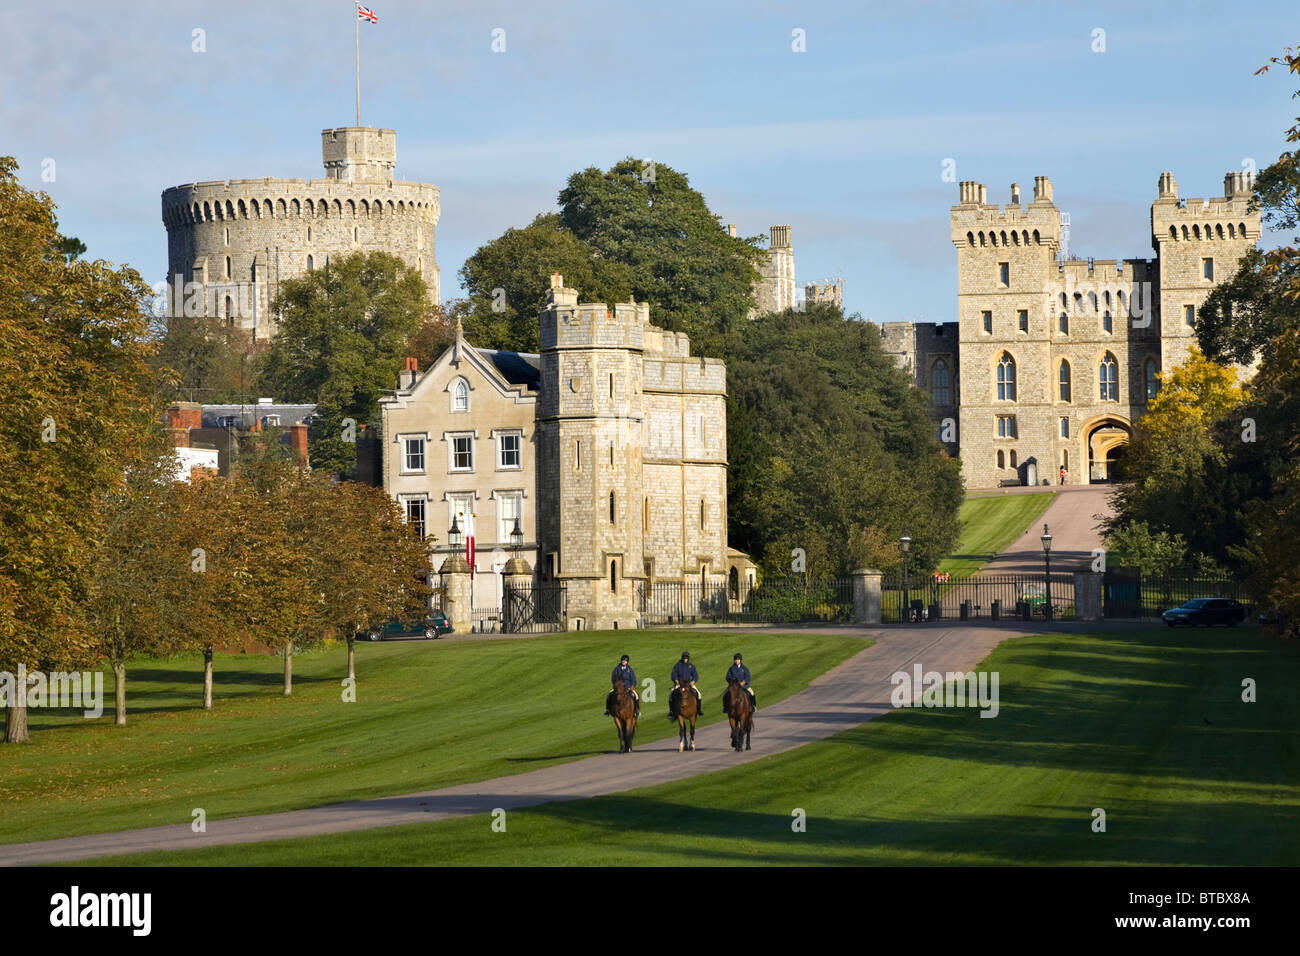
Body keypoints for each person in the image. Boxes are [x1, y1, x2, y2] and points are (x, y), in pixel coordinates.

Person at [669, 651, 702, 717]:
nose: (685, 659)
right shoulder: (677, 665)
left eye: (686, 658)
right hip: (679, 684)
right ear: (682, 658)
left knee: (699, 694)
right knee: (670, 695)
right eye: (684, 658)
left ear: (688, 658)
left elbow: (695, 675)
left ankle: (698, 710)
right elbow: (673, 674)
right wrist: (676, 680)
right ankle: (671, 712)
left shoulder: (691, 666)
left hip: (688, 684)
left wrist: (693, 681)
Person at [605, 654, 639, 718]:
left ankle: (636, 710)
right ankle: (608, 710)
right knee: (608, 695)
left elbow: (634, 679)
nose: (624, 662)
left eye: (625, 661)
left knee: (636, 696)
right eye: (623, 660)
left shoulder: (630, 669)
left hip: (628, 687)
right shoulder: (616, 669)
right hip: (618, 688)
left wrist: (632, 686)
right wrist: (616, 685)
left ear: (627, 662)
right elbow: (613, 678)